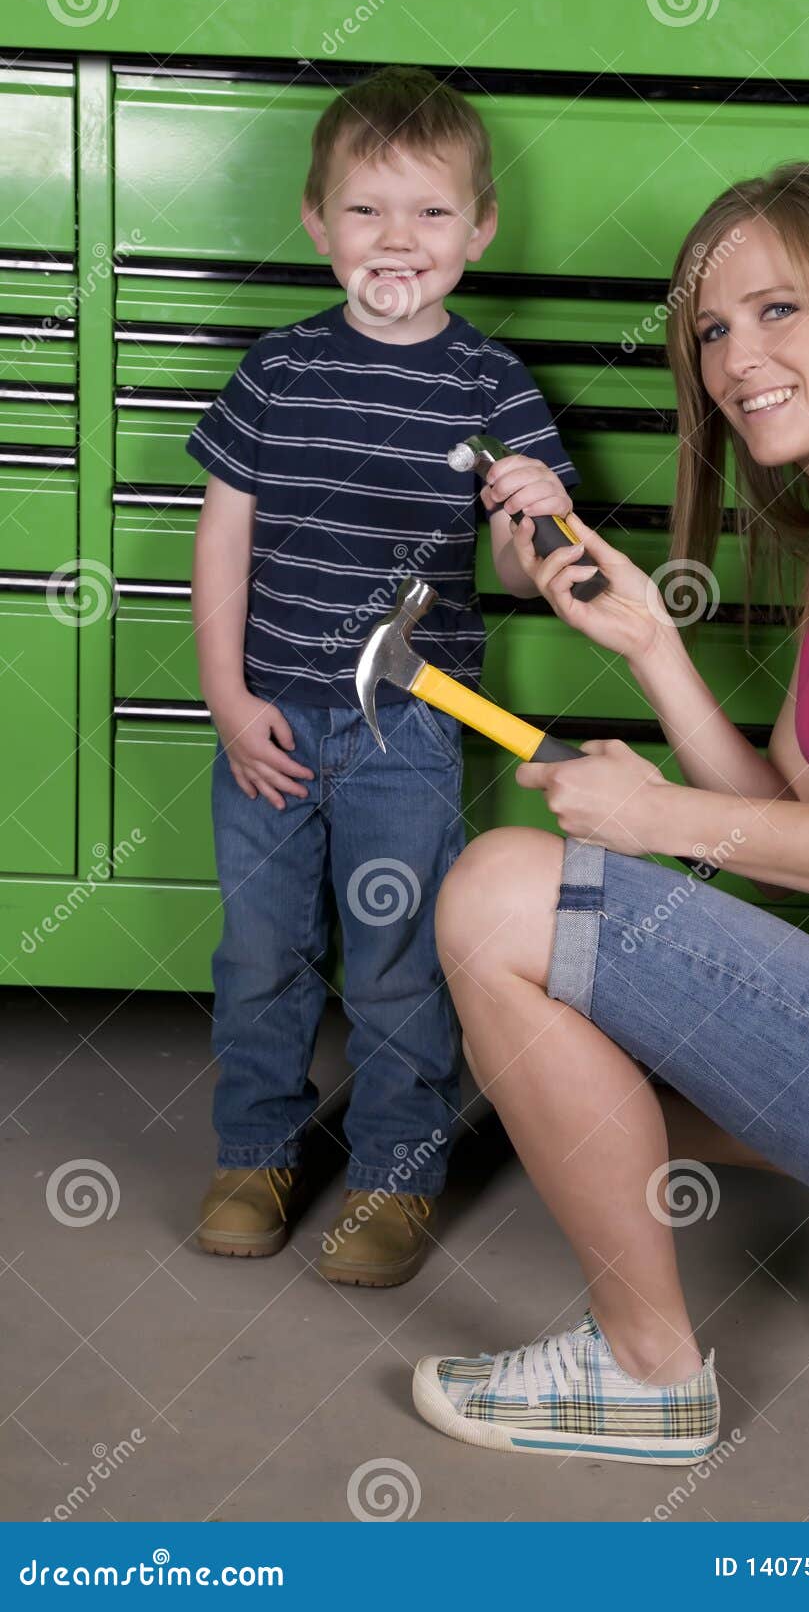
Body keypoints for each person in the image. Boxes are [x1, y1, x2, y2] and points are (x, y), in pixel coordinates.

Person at [411, 161, 809, 1464]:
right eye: (710, 329)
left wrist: (654, 821)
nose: (732, 358)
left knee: (496, 895)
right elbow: (794, 817)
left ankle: (644, 1373)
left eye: (777, 311)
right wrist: (651, 646)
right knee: (583, 1058)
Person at [187, 65, 577, 1285]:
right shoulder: (277, 373)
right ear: (316, 221)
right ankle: (254, 1151)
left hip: (408, 722)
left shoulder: (488, 387)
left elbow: (519, 576)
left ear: (479, 230)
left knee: (399, 944)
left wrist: (534, 515)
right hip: (269, 716)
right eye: (365, 211)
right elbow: (222, 538)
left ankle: (395, 1173)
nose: (396, 240)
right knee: (262, 948)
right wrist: (225, 699)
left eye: (428, 213)